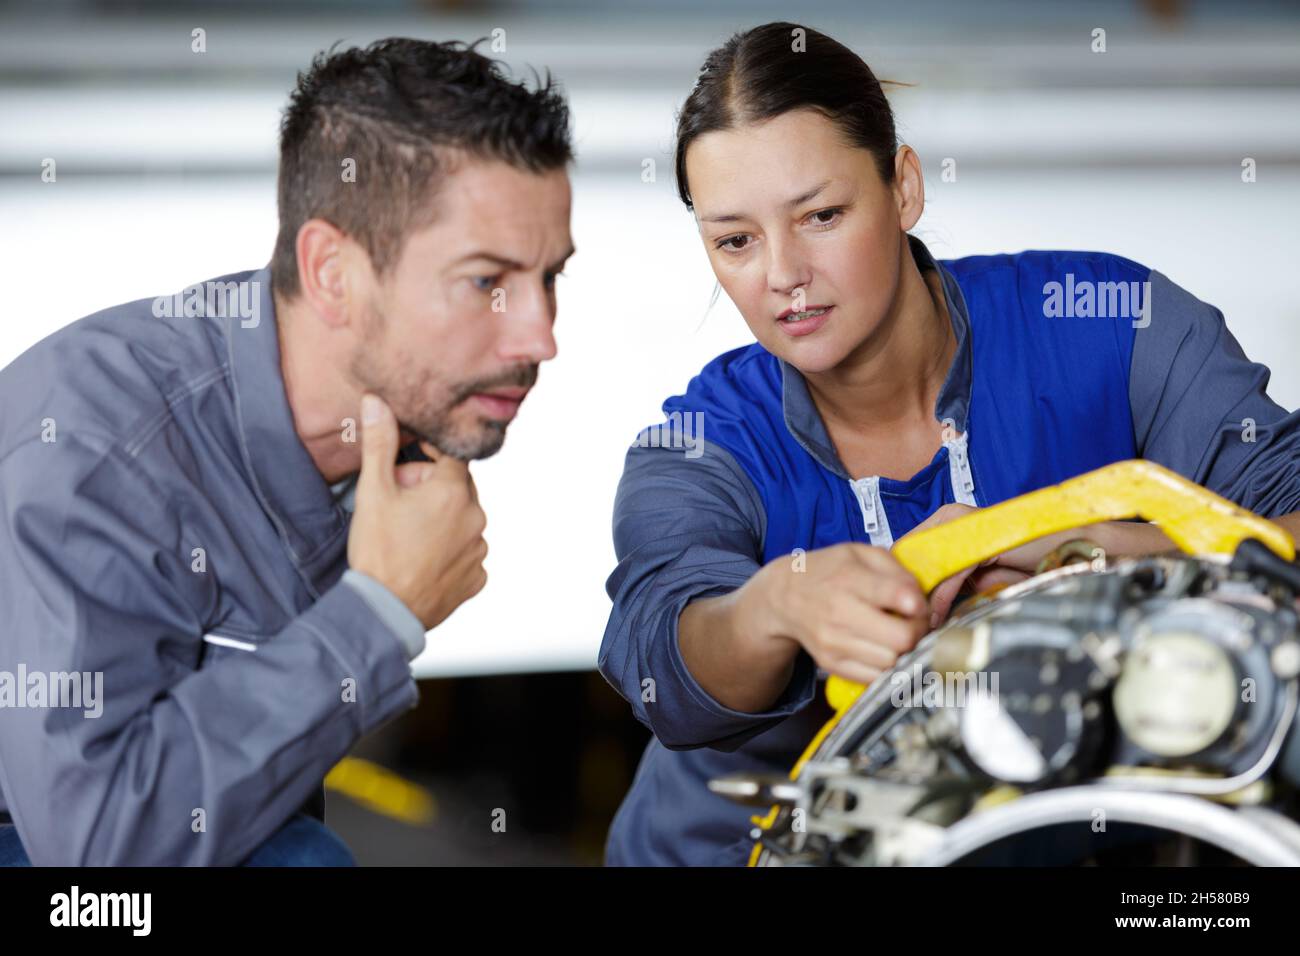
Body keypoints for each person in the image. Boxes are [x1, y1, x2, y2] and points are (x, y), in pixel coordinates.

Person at [597, 21, 1300, 866]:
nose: (782, 274)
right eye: (735, 240)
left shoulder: (1111, 326)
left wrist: (1089, 562)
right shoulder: (698, 446)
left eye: (821, 215)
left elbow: (1286, 525)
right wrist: (778, 606)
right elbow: (662, 656)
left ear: (902, 187)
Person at [0, 37, 574, 866]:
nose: (541, 336)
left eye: (549, 277)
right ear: (333, 273)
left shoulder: (378, 430)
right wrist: (378, 612)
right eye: (486, 281)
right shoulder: (97, 458)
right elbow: (96, 848)